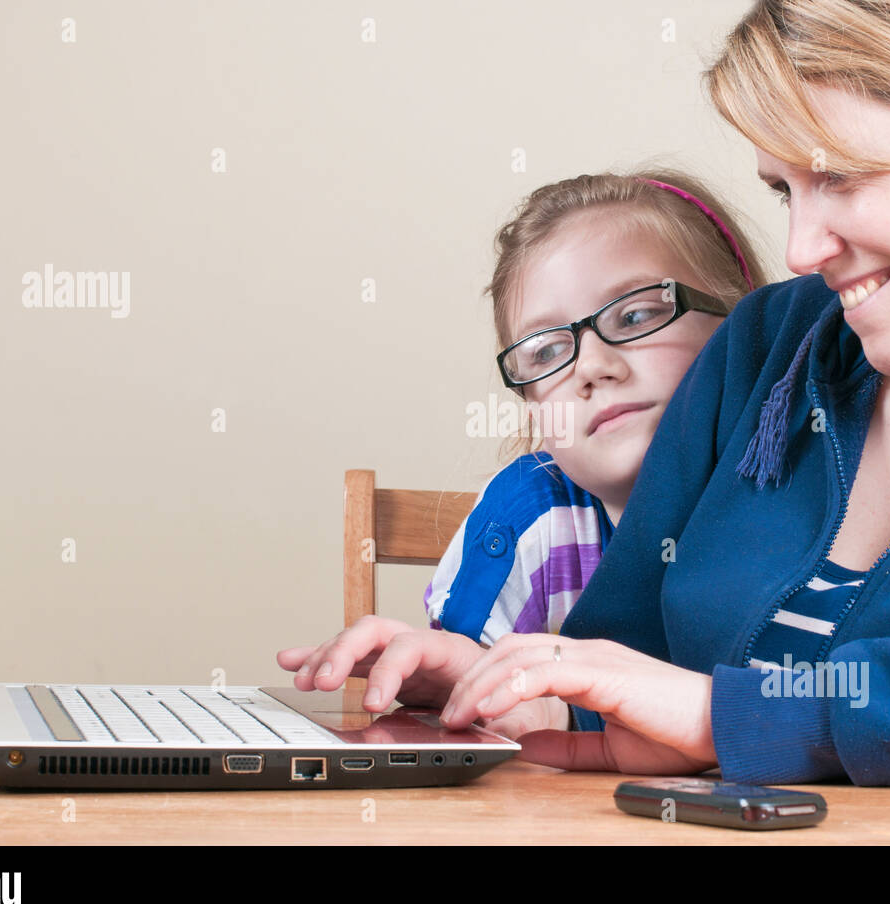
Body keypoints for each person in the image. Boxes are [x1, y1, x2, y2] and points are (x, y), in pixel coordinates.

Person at [287, 0, 890, 789]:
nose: (799, 247)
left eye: (842, 177)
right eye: (784, 190)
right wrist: (527, 692)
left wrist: (736, 717)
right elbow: (636, 680)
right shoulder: (768, 347)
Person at [277, 169, 768, 739]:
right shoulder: (528, 520)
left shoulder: (825, 496)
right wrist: (474, 693)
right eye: (546, 352)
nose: (591, 367)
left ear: (749, 323)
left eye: (635, 315)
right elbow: (475, 725)